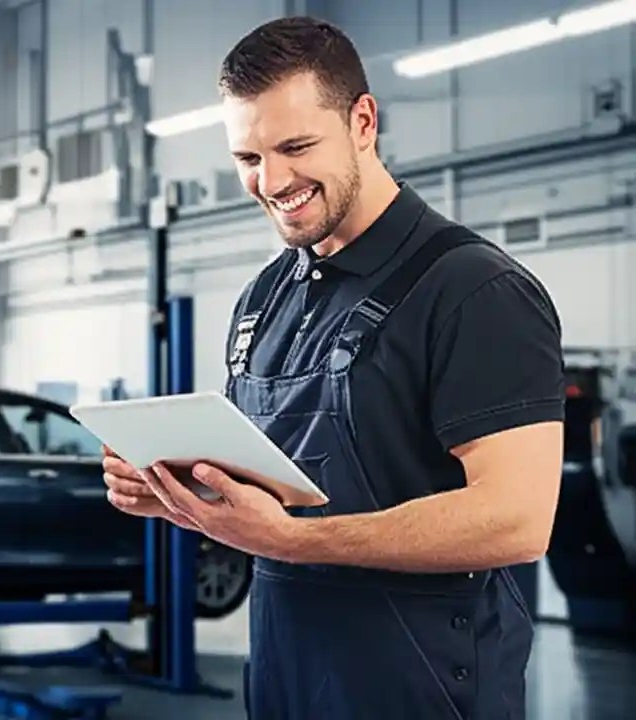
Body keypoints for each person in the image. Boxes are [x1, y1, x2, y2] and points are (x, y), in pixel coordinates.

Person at [102, 16, 565, 720]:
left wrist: (291, 541)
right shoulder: (266, 297)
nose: (271, 181)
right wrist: (178, 491)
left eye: (295, 147)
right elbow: (272, 494)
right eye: (248, 157)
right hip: (286, 683)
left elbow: (517, 520)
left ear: (363, 123)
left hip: (423, 692)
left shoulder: (474, 290)